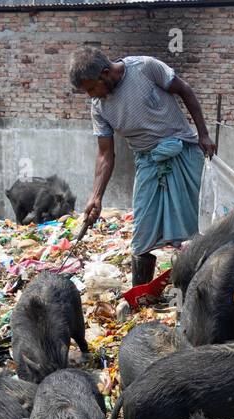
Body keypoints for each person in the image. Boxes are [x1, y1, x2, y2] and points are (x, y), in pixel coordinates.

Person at [68, 47, 217, 287]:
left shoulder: (146, 68)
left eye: (91, 88)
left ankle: (196, 291)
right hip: (147, 161)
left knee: (191, 230)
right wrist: (96, 197)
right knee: (142, 233)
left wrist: (204, 134)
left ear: (105, 73)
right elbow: (105, 153)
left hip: (182, 152)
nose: (90, 95)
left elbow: (185, 91)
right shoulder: (99, 106)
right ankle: (141, 295)